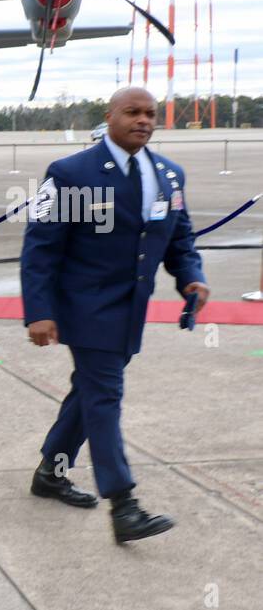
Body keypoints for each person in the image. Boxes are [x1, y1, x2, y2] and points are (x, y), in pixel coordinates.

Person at [21, 87, 209, 544]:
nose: (143, 120)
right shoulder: (70, 173)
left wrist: (191, 277)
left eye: (149, 114)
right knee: (104, 396)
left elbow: (179, 240)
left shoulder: (168, 174)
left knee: (87, 392)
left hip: (131, 311)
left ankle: (51, 470)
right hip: (85, 308)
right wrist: (39, 311)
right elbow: (40, 247)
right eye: (132, 112)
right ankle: (124, 505)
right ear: (110, 117)